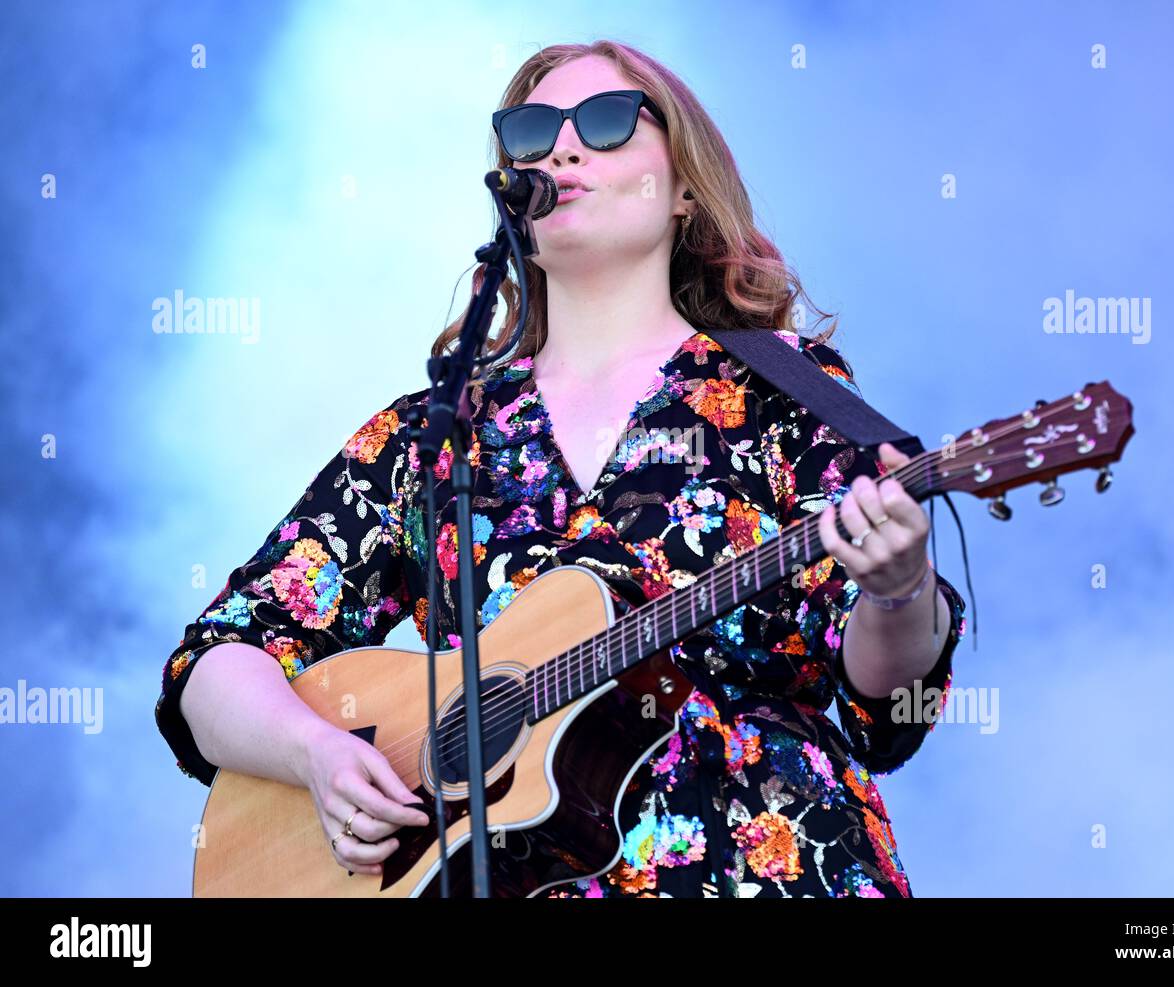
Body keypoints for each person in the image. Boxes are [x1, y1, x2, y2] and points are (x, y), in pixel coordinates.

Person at [156, 39, 967, 899]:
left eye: (609, 122)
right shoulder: (436, 434)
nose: (564, 148)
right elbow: (219, 657)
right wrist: (317, 753)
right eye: (534, 129)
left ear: (686, 188)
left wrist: (897, 587)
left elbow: (885, 700)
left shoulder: (782, 387)